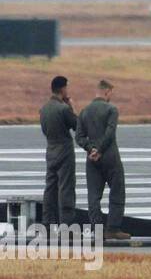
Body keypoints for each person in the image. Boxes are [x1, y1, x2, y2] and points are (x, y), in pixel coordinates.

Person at [75, 80, 129, 240]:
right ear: (106, 92)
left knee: (93, 195)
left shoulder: (84, 111)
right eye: (111, 92)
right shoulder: (111, 109)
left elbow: (78, 137)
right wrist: (100, 149)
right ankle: (113, 228)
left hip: (92, 159)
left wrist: (90, 149)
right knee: (117, 191)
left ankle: (97, 230)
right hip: (110, 156)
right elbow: (110, 133)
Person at [40, 76, 79, 229]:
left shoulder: (44, 109)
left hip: (50, 150)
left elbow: (44, 130)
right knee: (66, 188)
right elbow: (77, 125)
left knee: (50, 187)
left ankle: (47, 222)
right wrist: (71, 107)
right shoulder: (63, 109)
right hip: (64, 150)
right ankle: (66, 225)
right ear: (63, 89)